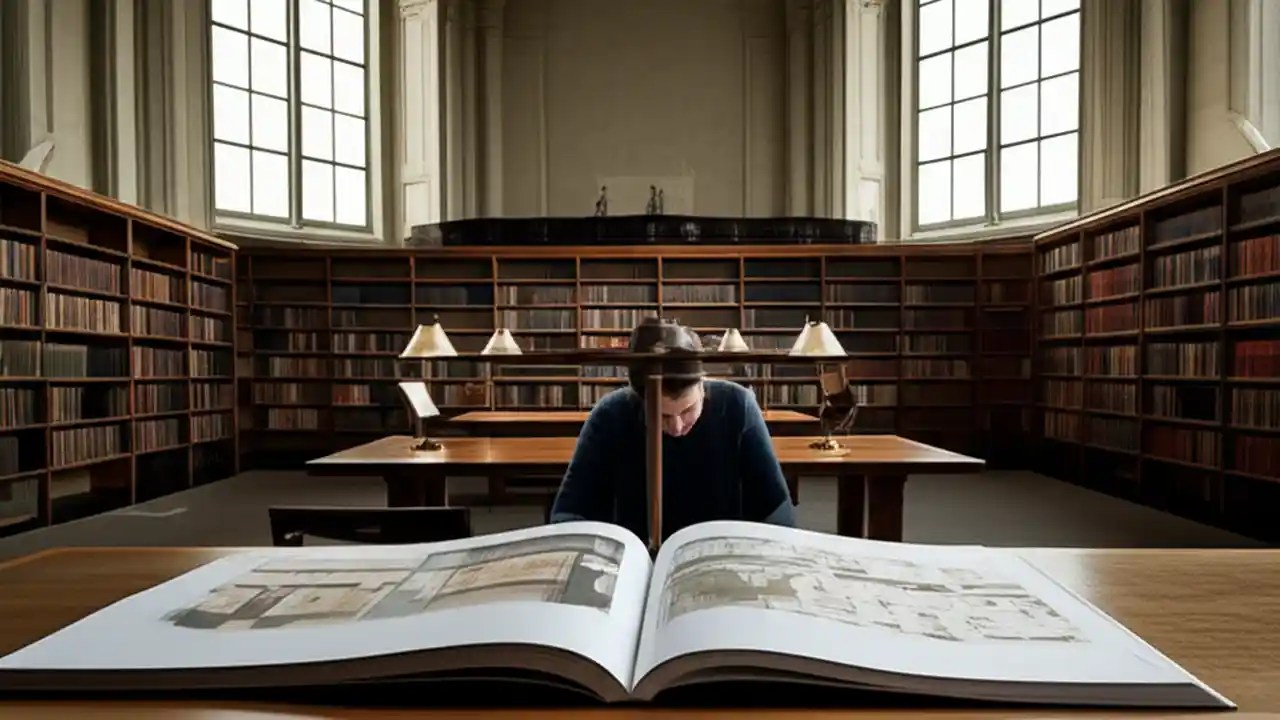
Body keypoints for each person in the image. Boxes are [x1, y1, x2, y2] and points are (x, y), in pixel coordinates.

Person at [548, 318, 796, 544]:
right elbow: (569, 512)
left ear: (702, 386)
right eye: (662, 416)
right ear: (639, 401)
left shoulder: (738, 405)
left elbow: (776, 510)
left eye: (688, 410)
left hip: (721, 555)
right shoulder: (611, 413)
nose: (677, 427)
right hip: (639, 560)